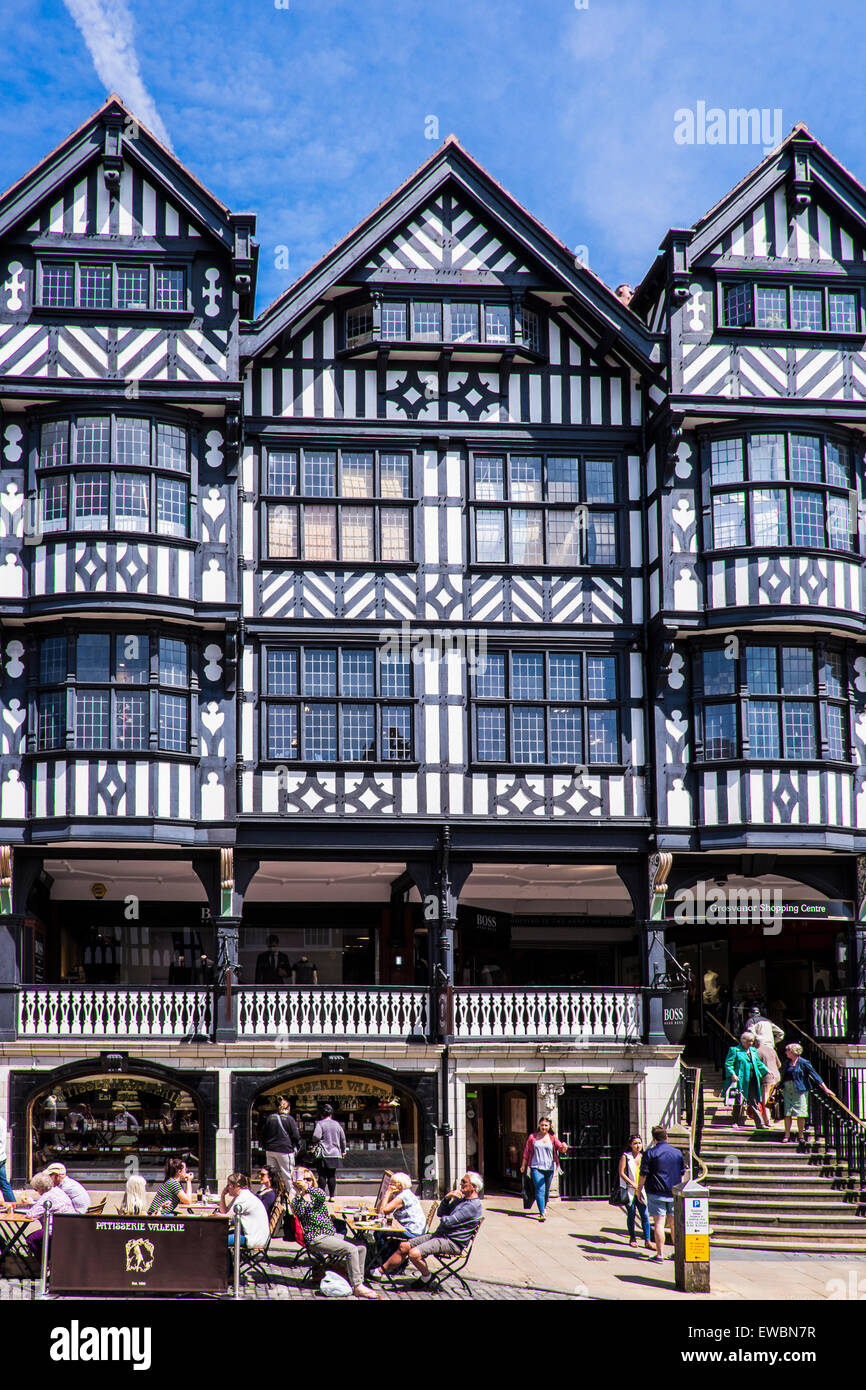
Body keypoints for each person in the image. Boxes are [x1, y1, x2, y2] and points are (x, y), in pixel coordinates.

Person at [375, 1172, 483, 1286]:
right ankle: (378, 1272)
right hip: (440, 1235)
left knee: (414, 1254)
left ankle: (427, 1277)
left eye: (464, 1182)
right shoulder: (460, 1199)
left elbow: (447, 1222)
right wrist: (447, 1198)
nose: (460, 1184)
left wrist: (446, 1218)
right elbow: (441, 1213)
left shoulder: (472, 1206)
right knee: (404, 1246)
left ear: (474, 1187)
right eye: (461, 1181)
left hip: (452, 1242)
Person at [290, 1166, 380, 1299]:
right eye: (303, 1180)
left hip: (330, 1234)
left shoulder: (316, 1193)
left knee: (361, 1247)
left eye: (309, 1179)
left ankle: (356, 1280)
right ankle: (358, 1285)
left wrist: (307, 1189)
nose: (307, 1182)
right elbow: (300, 1211)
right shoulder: (297, 1200)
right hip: (317, 1238)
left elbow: (321, 1196)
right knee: (351, 1249)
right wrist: (300, 1192)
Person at [636, 1126, 685, 1264]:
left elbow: (643, 1173)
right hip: (674, 1192)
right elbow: (682, 1173)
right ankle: (677, 1253)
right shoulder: (677, 1153)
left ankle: (660, 1254)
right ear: (667, 1137)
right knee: (674, 1224)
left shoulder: (650, 1153)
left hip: (656, 1192)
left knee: (659, 1223)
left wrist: (639, 1189)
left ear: (654, 1138)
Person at [780, 1043, 834, 1143]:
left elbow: (816, 1076)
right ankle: (786, 1135)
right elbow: (783, 1074)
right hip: (788, 1090)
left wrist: (825, 1089)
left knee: (800, 1113)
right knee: (787, 1113)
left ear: (793, 1052)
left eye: (787, 1050)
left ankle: (800, 1136)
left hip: (800, 1090)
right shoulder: (787, 1062)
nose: (785, 1052)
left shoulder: (804, 1062)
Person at [520, 1115, 568, 1222]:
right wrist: (523, 1165)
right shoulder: (532, 1137)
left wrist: (564, 1147)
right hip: (536, 1167)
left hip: (549, 1167)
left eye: (546, 1125)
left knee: (546, 1191)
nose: (544, 1127)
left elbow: (561, 1149)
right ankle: (542, 1212)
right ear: (539, 1125)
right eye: (542, 1125)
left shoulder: (552, 1138)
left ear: (549, 1126)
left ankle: (544, 1206)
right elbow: (526, 1152)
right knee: (540, 1189)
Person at [21, 1170, 75, 1257]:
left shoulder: (47, 1196)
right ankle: (49, 1259)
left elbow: (31, 1214)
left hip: (55, 1230)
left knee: (31, 1239)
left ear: (40, 1188)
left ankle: (45, 1264)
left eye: (36, 1189)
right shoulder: (58, 1191)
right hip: (69, 1227)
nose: (37, 1192)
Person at [724, 1030, 769, 1128]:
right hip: (741, 1079)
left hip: (752, 1079)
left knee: (754, 1100)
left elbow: (757, 1063)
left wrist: (766, 1070)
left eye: (752, 1041)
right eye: (749, 1041)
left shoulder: (753, 1050)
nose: (751, 1043)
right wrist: (732, 1074)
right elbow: (729, 1064)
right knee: (738, 1100)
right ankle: (735, 1122)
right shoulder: (734, 1050)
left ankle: (759, 1123)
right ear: (743, 1041)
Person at [220, 1172, 270, 1253]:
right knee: (219, 1237)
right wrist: (222, 1195)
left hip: (253, 1238)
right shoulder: (240, 1196)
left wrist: (213, 1216)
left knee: (219, 1240)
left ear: (236, 1186)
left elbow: (227, 1217)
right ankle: (228, 1265)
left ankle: (225, 1265)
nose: (227, 1188)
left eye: (228, 1185)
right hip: (250, 1234)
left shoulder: (244, 1198)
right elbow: (224, 1211)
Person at [618, 1135, 653, 1250]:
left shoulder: (644, 1157)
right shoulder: (626, 1157)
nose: (638, 1145)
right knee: (631, 1214)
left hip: (641, 1189)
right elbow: (621, 1172)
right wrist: (632, 1183)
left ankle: (647, 1240)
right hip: (630, 1189)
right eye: (635, 1143)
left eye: (639, 1143)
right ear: (630, 1145)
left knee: (644, 1215)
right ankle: (632, 1238)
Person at [259, 1097, 300, 1186]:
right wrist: (295, 1145)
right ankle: (292, 1198)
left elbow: (263, 1134)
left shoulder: (270, 1118)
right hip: (285, 1150)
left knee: (271, 1175)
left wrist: (265, 1146)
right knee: (288, 1176)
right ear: (288, 1108)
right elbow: (296, 1136)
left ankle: (273, 1196)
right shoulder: (289, 1119)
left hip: (270, 1150)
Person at [312, 1103, 347, 1199]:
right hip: (335, 1153)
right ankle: (332, 1196)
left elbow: (316, 1136)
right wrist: (343, 1151)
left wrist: (315, 1141)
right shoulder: (337, 1124)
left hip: (323, 1153)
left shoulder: (320, 1123)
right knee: (332, 1175)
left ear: (321, 1114)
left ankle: (321, 1197)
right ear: (331, 1114)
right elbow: (343, 1139)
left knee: (322, 1175)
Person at [0, 1116, 15, 1203]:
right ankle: (12, 1204)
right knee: (4, 1184)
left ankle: (12, 1204)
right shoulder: (2, 1121)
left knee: (4, 1184)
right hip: (1, 1156)